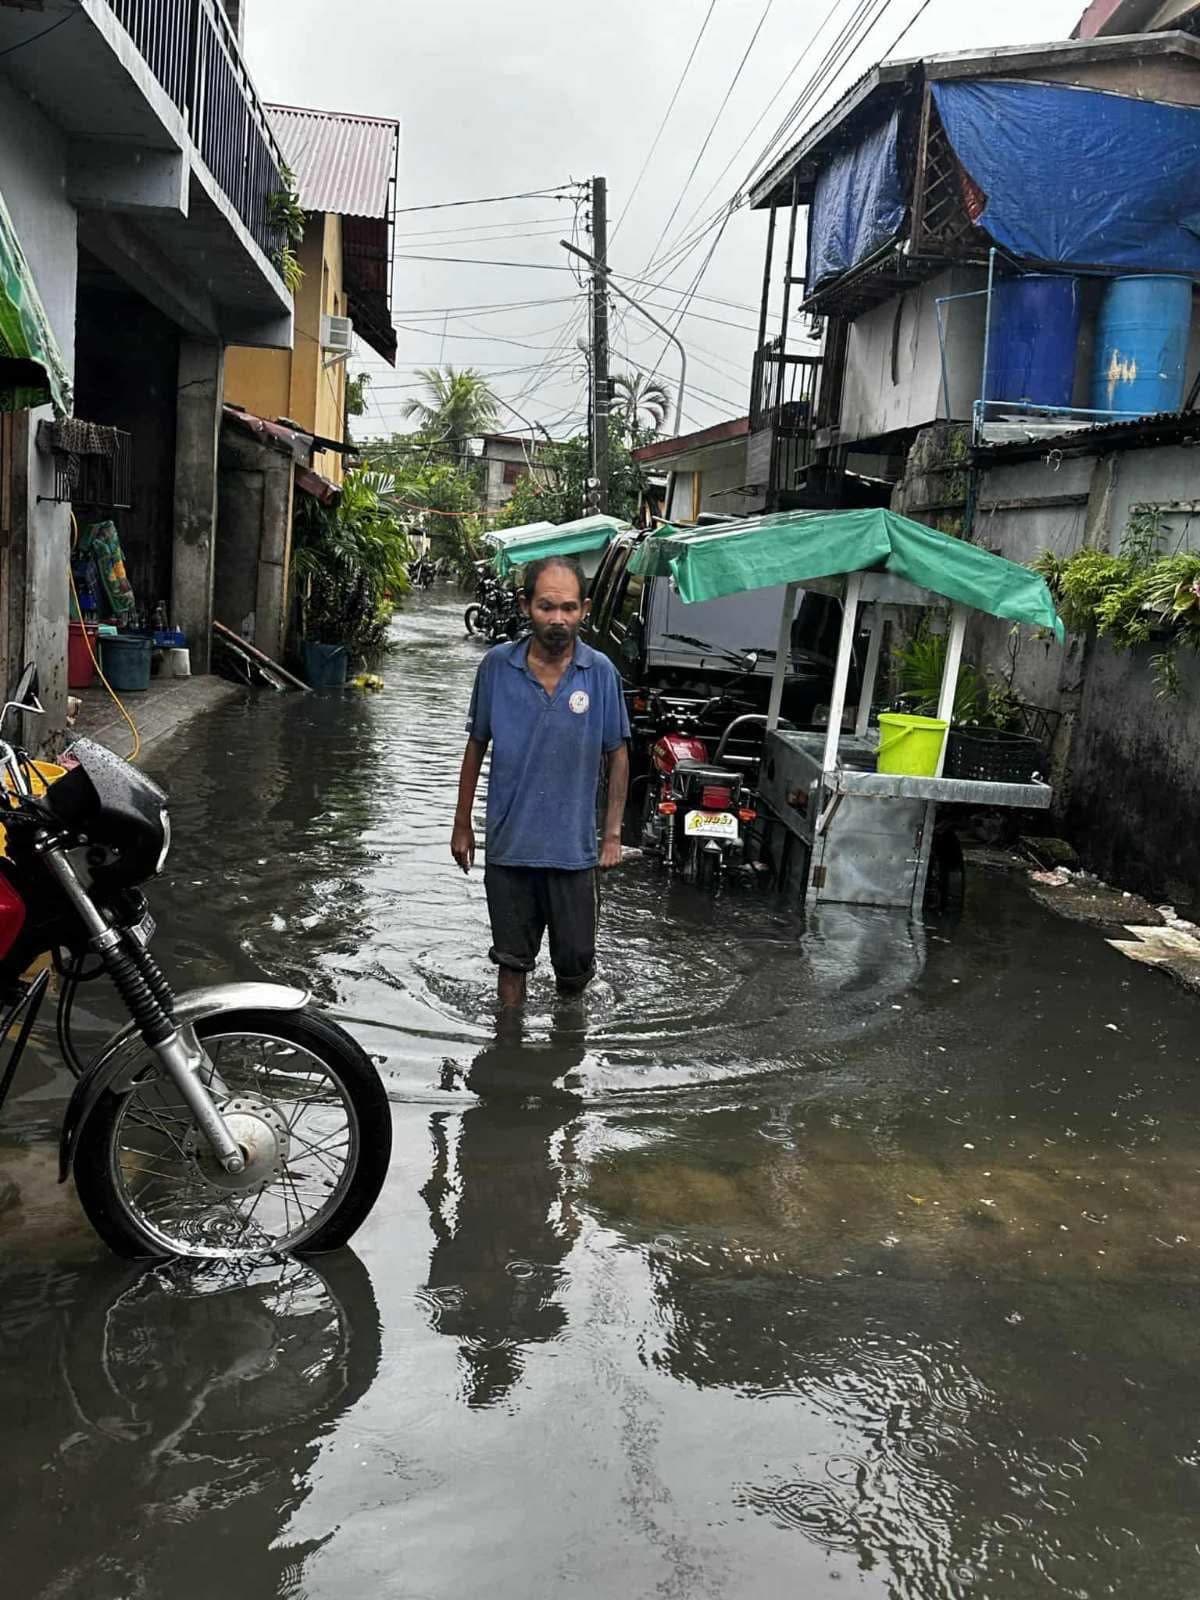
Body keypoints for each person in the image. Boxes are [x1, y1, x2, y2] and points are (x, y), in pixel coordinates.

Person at [451, 554, 630, 1006]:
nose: (558, 620)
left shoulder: (601, 673)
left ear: (584, 610)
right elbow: (476, 744)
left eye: (569, 608)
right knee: (511, 966)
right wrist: (462, 823)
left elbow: (618, 754)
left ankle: (565, 1055)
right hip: (510, 850)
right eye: (547, 607)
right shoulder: (496, 667)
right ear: (524, 605)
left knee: (574, 972)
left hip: (574, 854)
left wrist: (611, 835)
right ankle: (508, 1058)